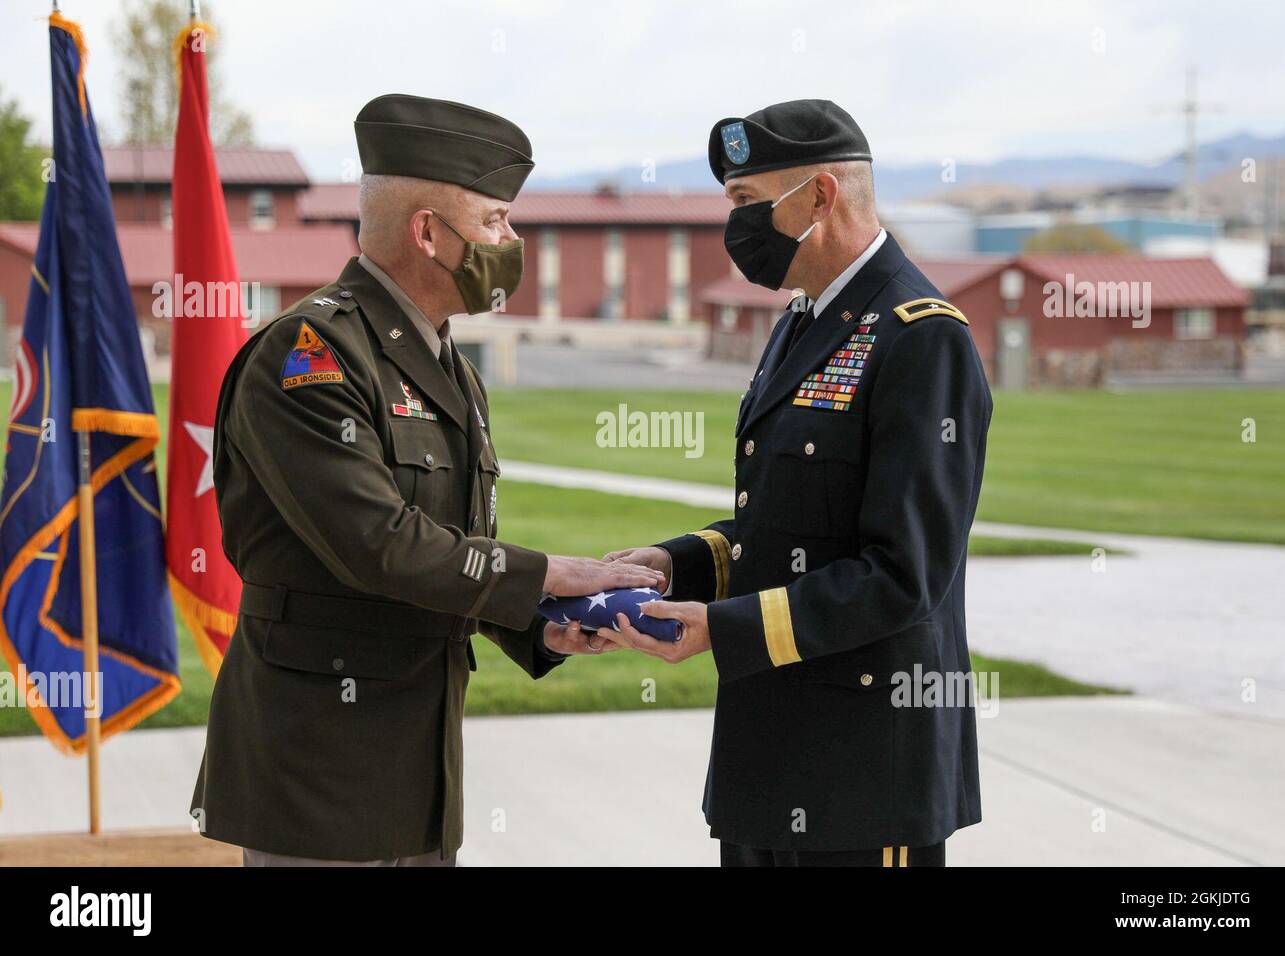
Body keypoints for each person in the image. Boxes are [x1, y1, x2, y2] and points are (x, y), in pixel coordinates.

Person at [190, 94, 662, 867]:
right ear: (427, 233)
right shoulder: (308, 354)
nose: (511, 242)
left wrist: (536, 622)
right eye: (494, 223)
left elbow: (456, 547)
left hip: (419, 766)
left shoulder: (449, 368)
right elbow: (376, 543)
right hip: (319, 773)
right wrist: (545, 573)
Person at [600, 99, 992, 867]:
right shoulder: (802, 321)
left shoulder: (921, 339)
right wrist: (675, 565)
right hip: (770, 757)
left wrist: (728, 630)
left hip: (861, 772)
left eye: (749, 202)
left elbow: (905, 576)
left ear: (819, 195)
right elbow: (784, 524)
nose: (736, 226)